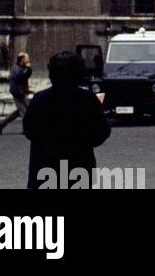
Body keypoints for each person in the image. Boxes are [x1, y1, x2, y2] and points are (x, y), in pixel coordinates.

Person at [23, 49, 111, 190]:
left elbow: (29, 130)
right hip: (79, 166)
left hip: (44, 166)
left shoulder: (39, 99)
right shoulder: (88, 99)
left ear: (51, 74)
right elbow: (101, 133)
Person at [0, 52, 32, 134]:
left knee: (19, 111)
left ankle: (2, 124)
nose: (28, 59)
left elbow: (25, 76)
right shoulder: (16, 68)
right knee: (25, 111)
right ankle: (26, 129)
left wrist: (28, 69)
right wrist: (28, 68)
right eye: (27, 58)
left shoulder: (21, 67)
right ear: (22, 59)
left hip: (20, 92)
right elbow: (21, 76)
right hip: (17, 93)